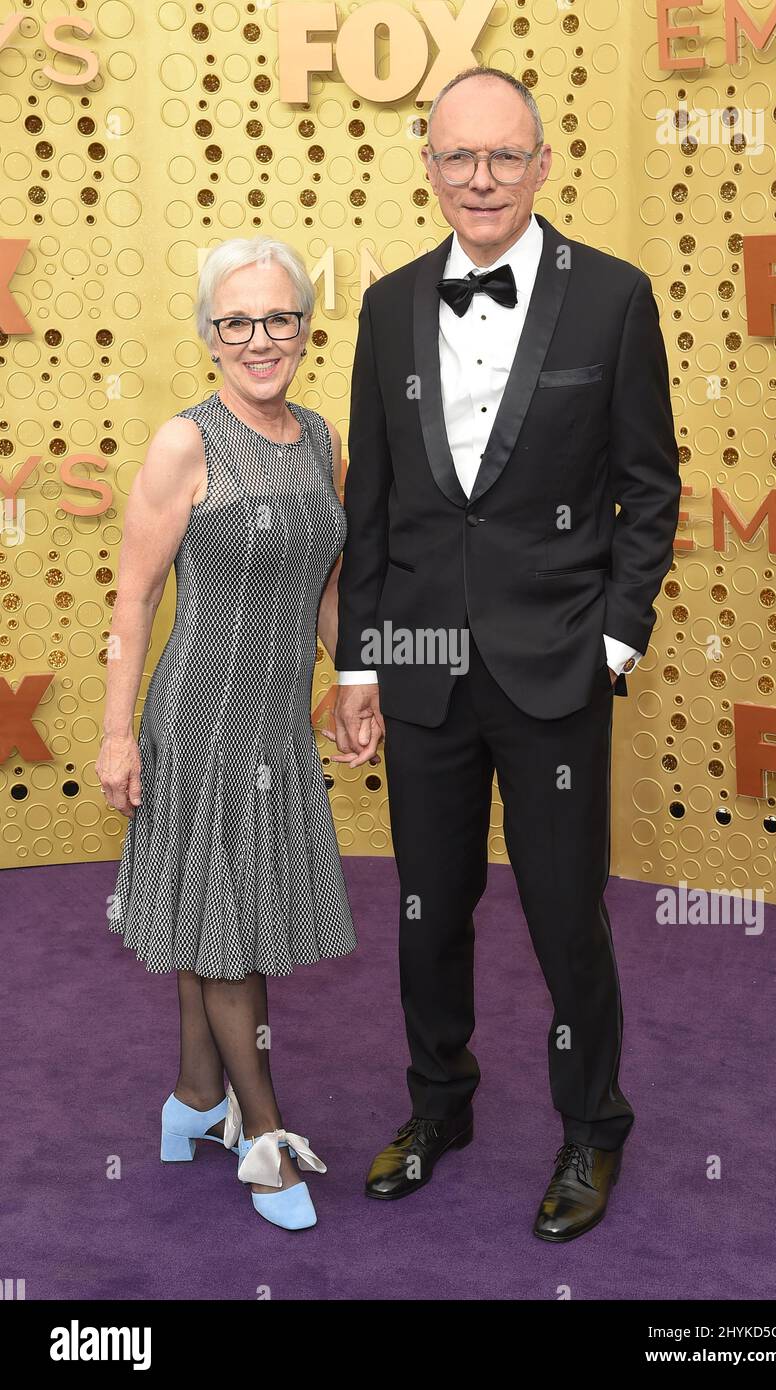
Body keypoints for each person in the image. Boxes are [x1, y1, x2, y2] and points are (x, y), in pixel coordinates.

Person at [333, 67, 681, 1242]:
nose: (478, 179)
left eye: (501, 157)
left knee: (561, 914)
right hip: (422, 662)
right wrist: (357, 666)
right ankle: (440, 1107)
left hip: (557, 666)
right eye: (455, 158)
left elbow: (647, 487)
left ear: (540, 164)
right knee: (427, 912)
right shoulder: (385, 307)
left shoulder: (613, 298)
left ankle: (591, 1127)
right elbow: (371, 507)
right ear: (426, 167)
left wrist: (615, 640)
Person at [97, 236, 356, 1231]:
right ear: (210, 335)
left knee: (219, 918)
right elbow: (134, 594)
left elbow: (324, 581)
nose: (260, 338)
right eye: (237, 321)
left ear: (303, 326)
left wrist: (355, 680)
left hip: (276, 730)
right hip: (201, 723)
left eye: (278, 318)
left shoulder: (320, 434)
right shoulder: (183, 442)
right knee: (230, 929)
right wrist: (119, 735)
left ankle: (191, 1101)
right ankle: (262, 1138)